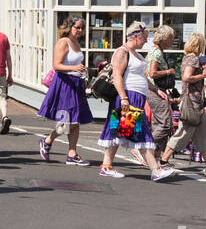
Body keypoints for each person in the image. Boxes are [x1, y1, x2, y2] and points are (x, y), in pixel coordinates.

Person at [97, 22, 177, 181]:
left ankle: (106, 166)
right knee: (141, 134)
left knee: (119, 132)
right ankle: (155, 170)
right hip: (128, 98)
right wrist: (124, 98)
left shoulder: (137, 55)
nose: (146, 41)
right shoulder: (122, 52)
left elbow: (143, 78)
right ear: (135, 37)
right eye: (145, 38)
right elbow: (117, 76)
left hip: (135, 99)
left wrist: (156, 90)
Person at [160, 32, 206, 177]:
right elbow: (187, 77)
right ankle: (163, 162)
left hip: (197, 104)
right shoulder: (193, 59)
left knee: (205, 135)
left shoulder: (188, 58)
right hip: (191, 104)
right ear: (199, 44)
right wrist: (203, 75)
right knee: (182, 133)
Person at [37, 17, 95, 165]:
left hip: (76, 84)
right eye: (77, 27)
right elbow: (56, 66)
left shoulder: (76, 43)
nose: (80, 30)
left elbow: (74, 63)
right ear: (69, 27)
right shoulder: (63, 42)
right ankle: (47, 140)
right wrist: (74, 68)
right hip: (65, 84)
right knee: (69, 121)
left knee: (75, 121)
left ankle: (72, 154)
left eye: (82, 28)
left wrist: (81, 73)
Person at [145, 25, 177, 157]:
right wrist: (169, 71)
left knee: (158, 124)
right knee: (165, 125)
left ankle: (156, 157)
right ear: (164, 38)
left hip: (154, 90)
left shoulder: (155, 50)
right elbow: (152, 73)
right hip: (156, 91)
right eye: (171, 38)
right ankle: (144, 147)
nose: (172, 41)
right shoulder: (157, 52)